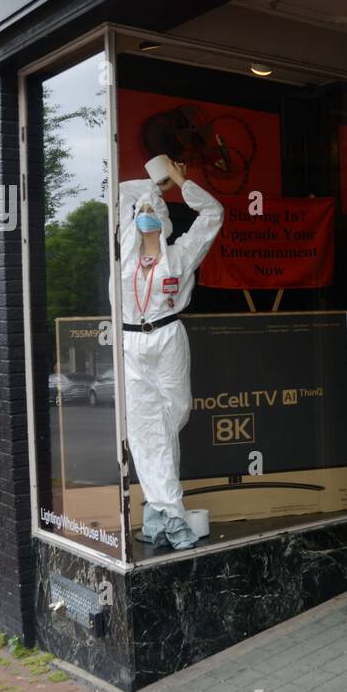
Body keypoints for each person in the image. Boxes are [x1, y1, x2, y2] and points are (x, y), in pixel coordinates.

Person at [117, 159, 223, 549]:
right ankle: (172, 513)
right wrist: (150, 188)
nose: (146, 215)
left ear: (165, 221)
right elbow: (118, 197)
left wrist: (178, 182)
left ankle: (156, 511)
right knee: (146, 429)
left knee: (174, 416)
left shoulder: (181, 255)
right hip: (131, 343)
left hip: (168, 336)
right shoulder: (121, 263)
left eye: (154, 211)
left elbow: (214, 213)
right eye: (141, 211)